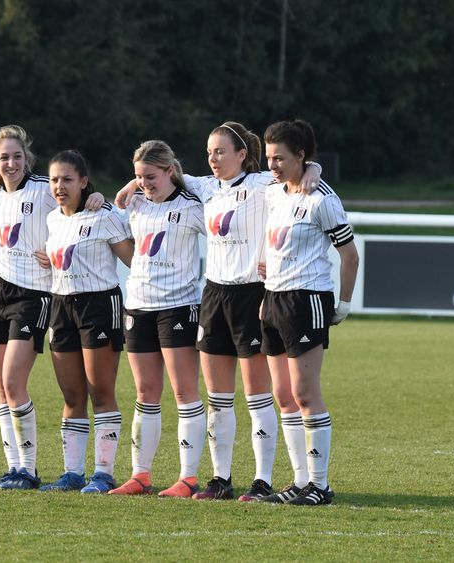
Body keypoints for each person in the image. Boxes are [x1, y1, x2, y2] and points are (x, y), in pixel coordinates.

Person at [114, 122, 322, 501]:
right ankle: (220, 479)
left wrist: (314, 169)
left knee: (257, 396)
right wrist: (132, 184)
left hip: (251, 295)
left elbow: (295, 174)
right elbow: (165, 175)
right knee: (218, 398)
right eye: (210, 151)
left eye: (221, 151)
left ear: (242, 154)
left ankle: (261, 480)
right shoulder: (205, 187)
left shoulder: (261, 184)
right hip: (213, 296)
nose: (213, 158)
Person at [0, 126, 104, 490]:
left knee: (13, 381)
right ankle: (14, 467)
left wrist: (98, 198)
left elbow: (76, 202)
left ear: (27, 158)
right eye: (4, 157)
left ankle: (29, 471)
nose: (11, 163)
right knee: (1, 388)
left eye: (17, 156)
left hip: (33, 294)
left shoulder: (43, 189)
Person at [258, 119, 358, 505]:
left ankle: (320, 485)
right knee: (283, 395)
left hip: (307, 299)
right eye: (269, 158)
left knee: (304, 392)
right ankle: (300, 482)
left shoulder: (322, 199)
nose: (272, 165)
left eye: (279, 158)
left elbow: (349, 255)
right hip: (273, 299)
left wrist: (343, 304)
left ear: (300, 156)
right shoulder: (273, 192)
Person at [105, 141, 207, 497]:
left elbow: (228, 230)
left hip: (179, 307)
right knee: (146, 392)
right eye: (138, 177)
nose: (144, 183)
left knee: (183, 392)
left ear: (170, 171)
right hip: (138, 307)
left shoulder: (192, 206)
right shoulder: (134, 203)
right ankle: (140, 475)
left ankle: (188, 477)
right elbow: (109, 219)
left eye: (151, 176)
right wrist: (123, 189)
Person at [38, 150, 133, 494]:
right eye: (54, 180)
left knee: (101, 391)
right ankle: (72, 473)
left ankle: (103, 473)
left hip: (99, 305)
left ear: (83, 181)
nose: (59, 186)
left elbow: (133, 258)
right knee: (72, 395)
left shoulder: (102, 214)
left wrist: (109, 204)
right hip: (61, 306)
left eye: (67, 179)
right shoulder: (52, 219)